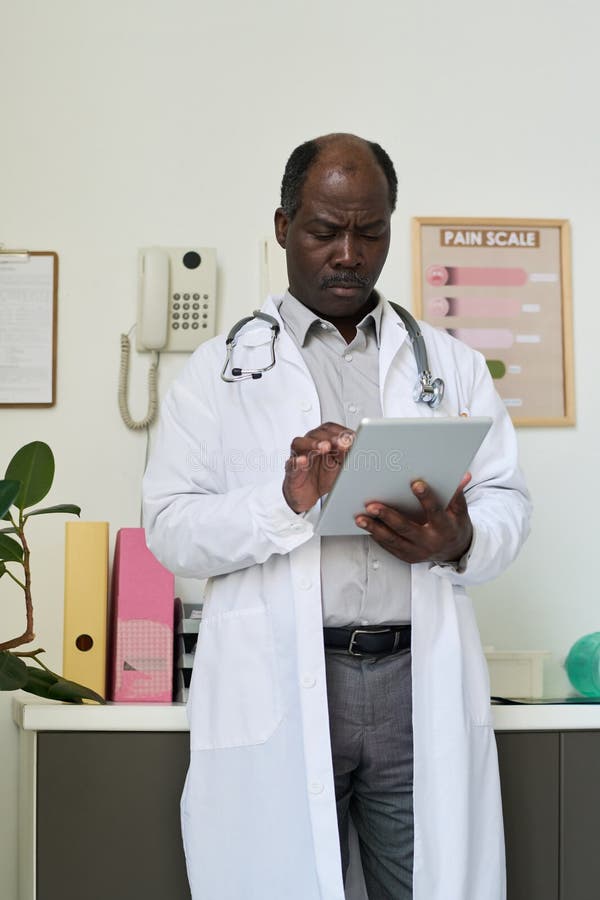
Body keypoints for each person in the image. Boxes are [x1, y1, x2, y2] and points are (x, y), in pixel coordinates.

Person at [143, 133, 531, 900]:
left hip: (413, 680)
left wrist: (461, 539)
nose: (349, 253)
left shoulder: (447, 365)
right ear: (284, 225)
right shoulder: (216, 375)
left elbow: (506, 501)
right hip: (288, 677)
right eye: (325, 230)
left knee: (422, 884)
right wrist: (285, 503)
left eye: (371, 230)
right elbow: (169, 527)